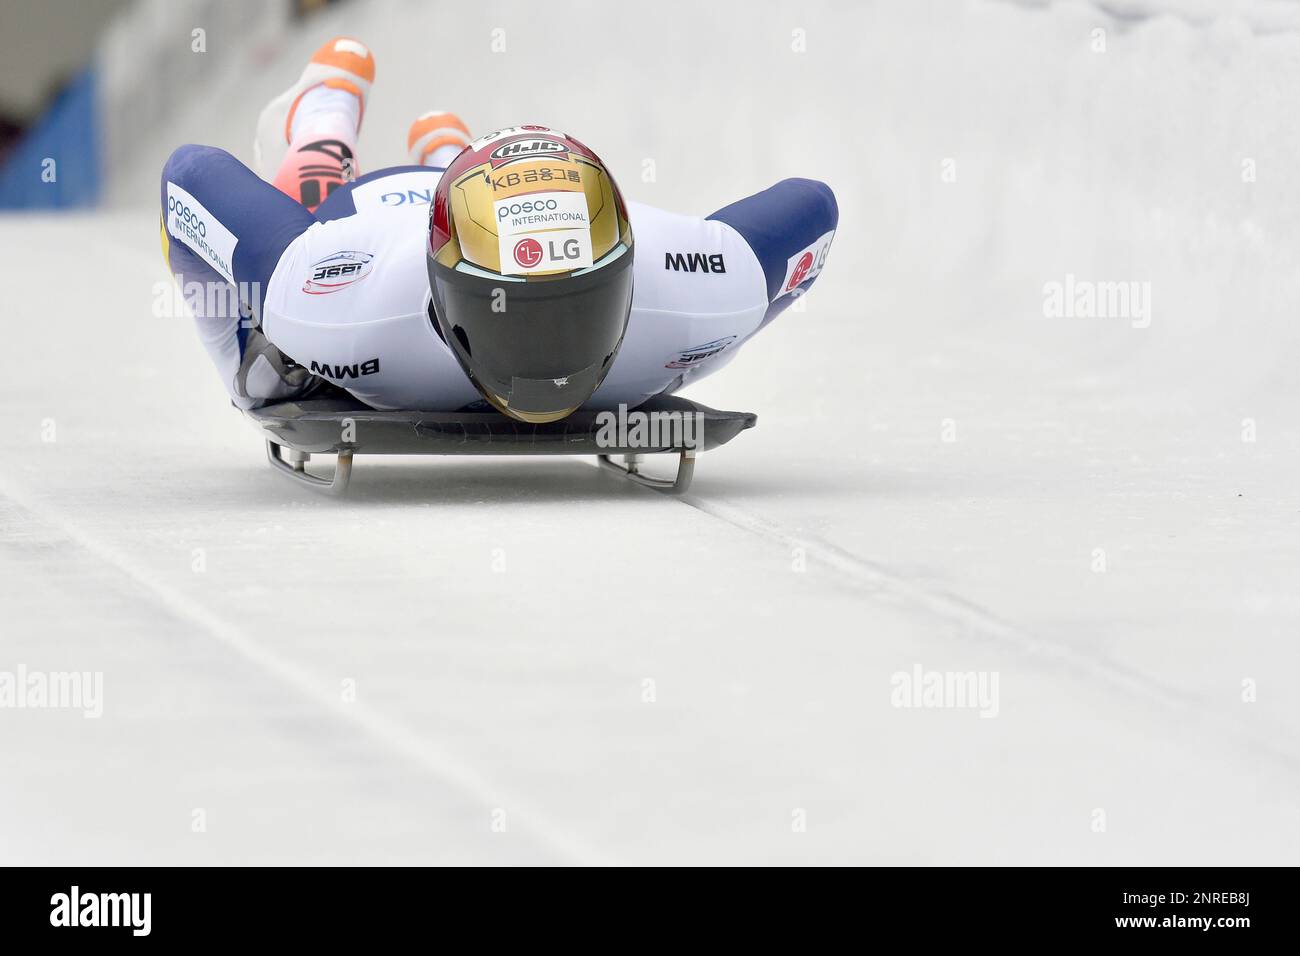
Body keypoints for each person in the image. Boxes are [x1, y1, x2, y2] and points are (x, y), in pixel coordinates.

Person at [160, 37, 838, 419]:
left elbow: (815, 206)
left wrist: (245, 370)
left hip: (434, 230)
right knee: (307, 204)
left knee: (267, 367)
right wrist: (239, 356)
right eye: (514, 319)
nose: (544, 366)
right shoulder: (329, 296)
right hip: (383, 217)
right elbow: (188, 177)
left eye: (578, 311)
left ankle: (441, 147)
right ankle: (324, 115)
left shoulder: (703, 289)